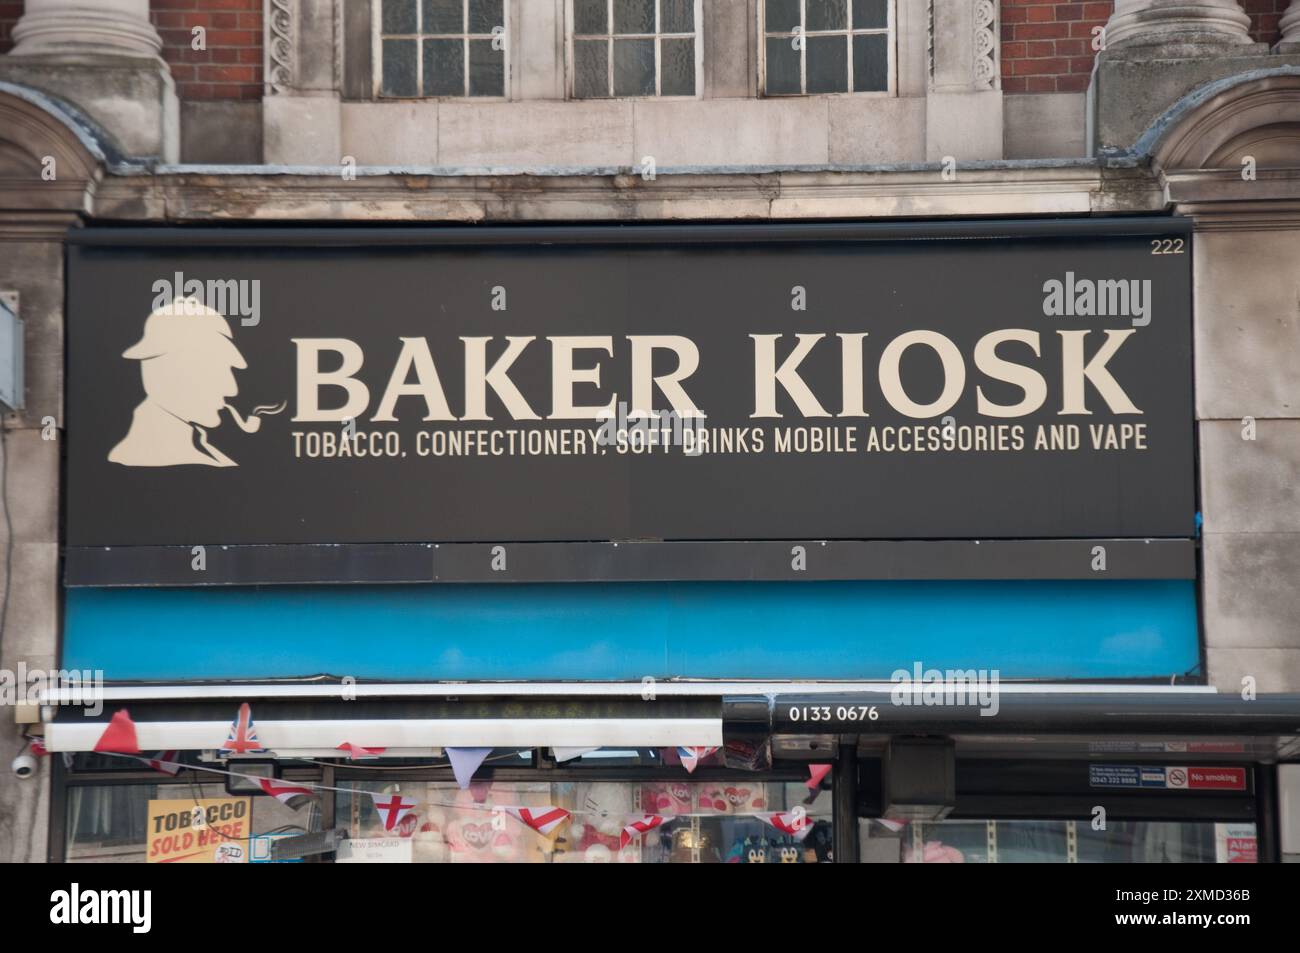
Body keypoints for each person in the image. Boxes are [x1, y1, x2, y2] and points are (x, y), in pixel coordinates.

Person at [109, 297, 248, 468]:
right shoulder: (148, 459)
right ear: (169, 372)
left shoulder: (200, 446)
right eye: (217, 372)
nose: (232, 389)